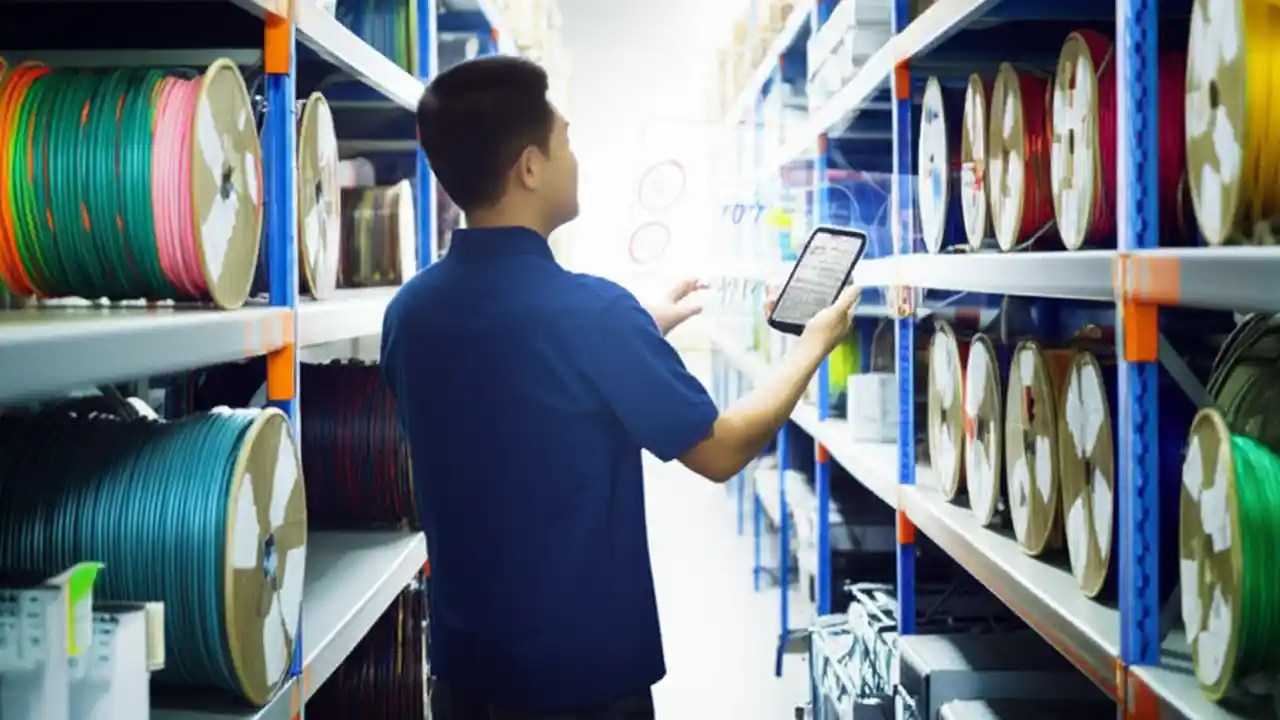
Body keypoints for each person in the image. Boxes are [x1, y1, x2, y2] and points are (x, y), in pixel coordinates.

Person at [380, 55, 859, 720]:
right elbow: (720, 452)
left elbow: (512, 389)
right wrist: (811, 346)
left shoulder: (410, 313)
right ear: (528, 166)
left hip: (465, 676)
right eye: (566, 140)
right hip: (585, 687)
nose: (575, 157)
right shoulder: (595, 315)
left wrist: (641, 329)